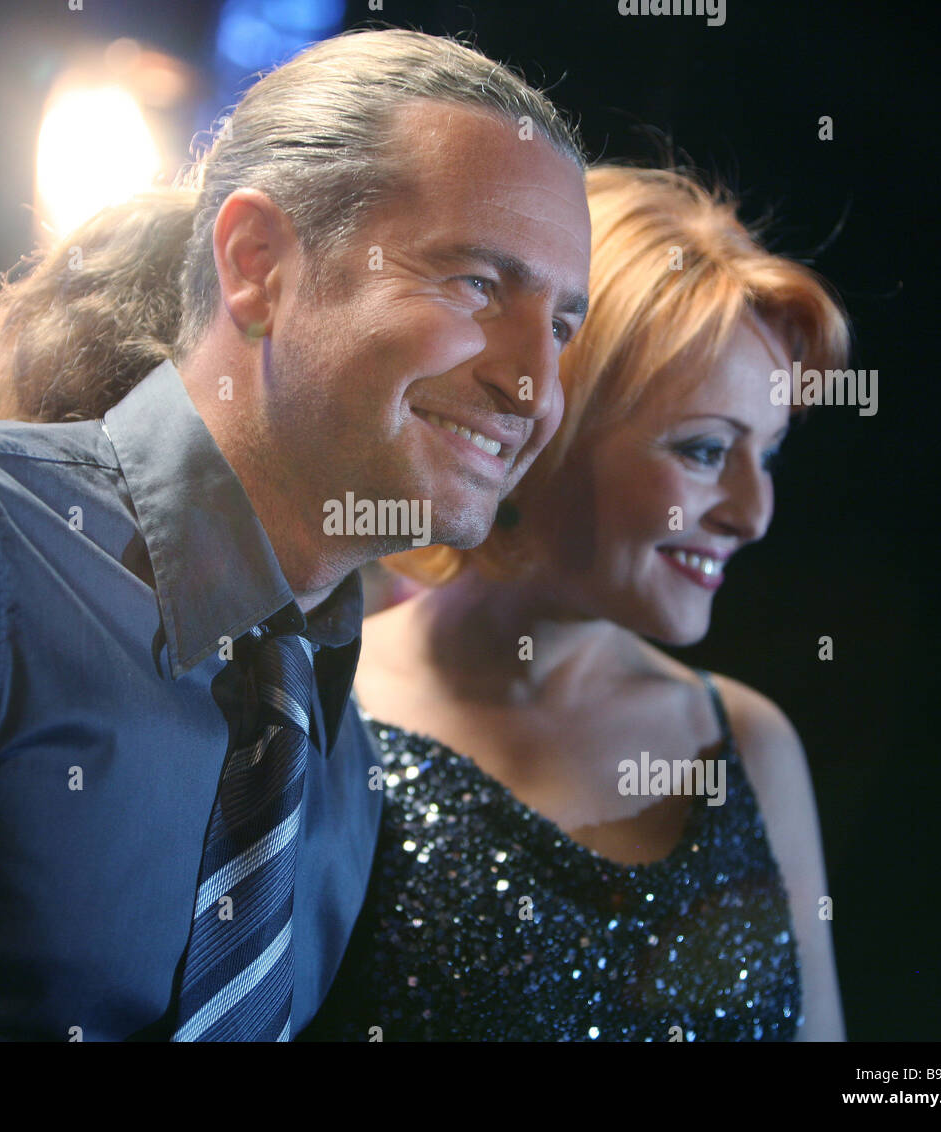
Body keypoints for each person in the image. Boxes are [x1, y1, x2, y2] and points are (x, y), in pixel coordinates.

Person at [0, 28, 592, 1041]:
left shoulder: (341, 768)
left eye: (564, 326)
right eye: (475, 284)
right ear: (258, 264)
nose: (533, 386)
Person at [301, 164, 850, 1042]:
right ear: (548, 418)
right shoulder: (319, 706)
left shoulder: (747, 742)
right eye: (708, 451)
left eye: (768, 457)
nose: (753, 515)